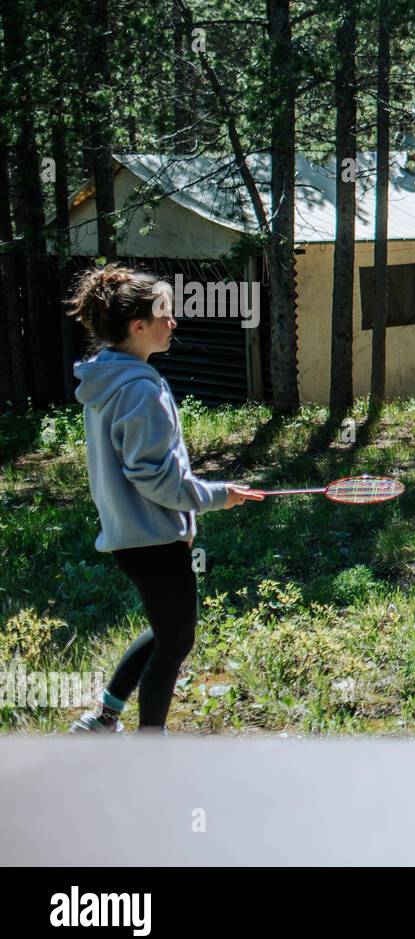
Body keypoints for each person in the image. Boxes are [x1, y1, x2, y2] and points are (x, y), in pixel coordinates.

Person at [65, 264, 263, 733]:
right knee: (176, 640)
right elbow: (152, 477)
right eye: (166, 315)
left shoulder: (109, 380)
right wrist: (218, 495)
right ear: (139, 325)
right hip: (152, 537)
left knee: (167, 630)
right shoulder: (139, 390)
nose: (173, 323)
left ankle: (104, 718)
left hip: (129, 534)